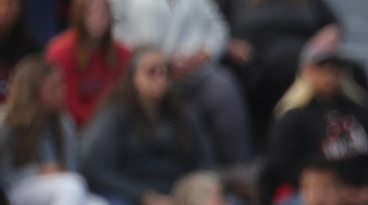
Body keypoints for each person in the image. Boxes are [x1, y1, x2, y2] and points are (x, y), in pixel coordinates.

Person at [77, 47, 216, 205]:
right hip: (131, 198)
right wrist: (146, 199)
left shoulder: (184, 115)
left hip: (180, 199)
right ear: (134, 77)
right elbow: (94, 169)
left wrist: (185, 202)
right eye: (152, 71)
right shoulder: (114, 116)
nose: (160, 77)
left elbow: (205, 165)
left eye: (165, 71)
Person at [261, 39, 368, 205]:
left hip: (359, 200)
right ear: (306, 71)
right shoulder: (293, 117)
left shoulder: (361, 113)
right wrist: (333, 193)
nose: (329, 73)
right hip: (305, 197)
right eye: (321, 67)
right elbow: (282, 165)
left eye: (334, 67)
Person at [0, 58, 116, 205]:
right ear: (34, 91)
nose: (62, 91)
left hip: (57, 194)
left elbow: (72, 169)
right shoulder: (8, 123)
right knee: (70, 187)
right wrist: (37, 172)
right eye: (54, 87)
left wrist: (57, 174)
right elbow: (3, 176)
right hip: (14, 199)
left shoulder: (63, 124)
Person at [113, 0, 251, 164]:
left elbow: (216, 27)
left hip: (194, 70)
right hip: (146, 68)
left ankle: (238, 170)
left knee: (224, 89)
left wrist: (200, 57)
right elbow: (116, 28)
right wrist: (154, 59)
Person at [222, 0, 339, 136]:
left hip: (305, 59)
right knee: (289, 73)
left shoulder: (310, 3)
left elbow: (332, 24)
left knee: (353, 72)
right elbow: (211, 27)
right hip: (257, 63)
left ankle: (347, 139)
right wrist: (228, 44)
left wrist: (329, 34)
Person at [44, 0, 129, 128]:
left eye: (103, 13)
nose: (98, 19)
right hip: (73, 128)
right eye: (90, 13)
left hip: (113, 126)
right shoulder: (60, 52)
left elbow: (127, 99)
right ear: (79, 15)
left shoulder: (123, 54)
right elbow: (67, 105)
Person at [0, 0, 37, 103]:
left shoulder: (30, 49)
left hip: (16, 114)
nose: (4, 11)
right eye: (1, 4)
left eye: (10, 4)